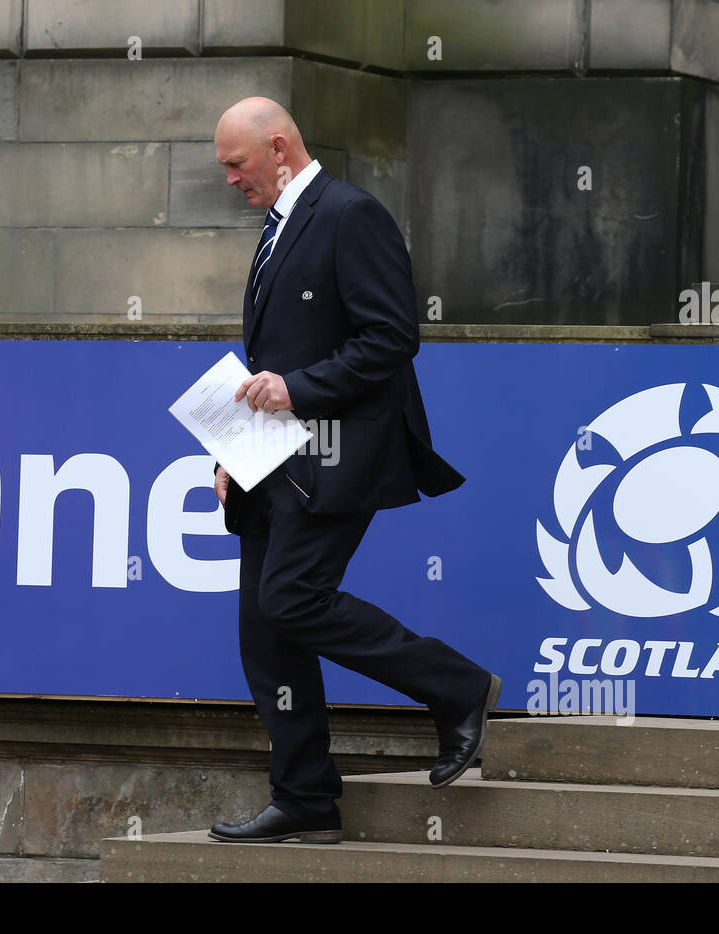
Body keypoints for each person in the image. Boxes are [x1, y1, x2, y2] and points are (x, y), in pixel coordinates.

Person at [207, 97, 501, 844]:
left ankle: (457, 685)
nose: (231, 181)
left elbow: (392, 336)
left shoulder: (350, 215)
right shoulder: (278, 228)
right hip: (274, 458)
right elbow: (274, 360)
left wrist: (297, 389)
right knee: (263, 631)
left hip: (339, 454)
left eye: (237, 165)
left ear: (278, 148)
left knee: (293, 599)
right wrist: (233, 448)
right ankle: (304, 796)